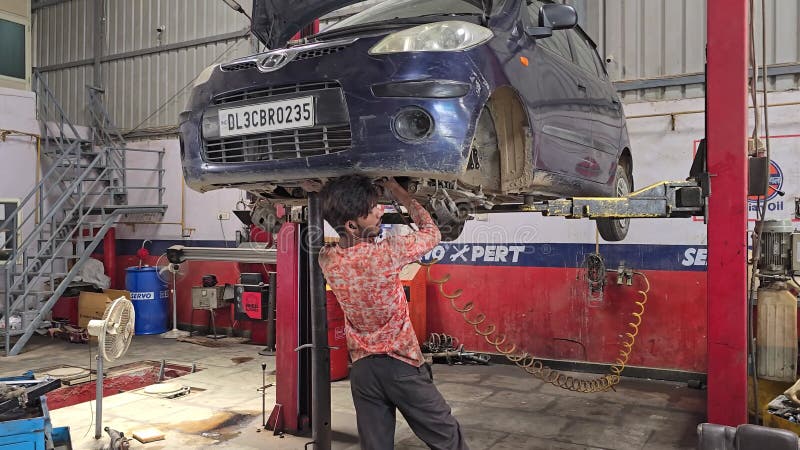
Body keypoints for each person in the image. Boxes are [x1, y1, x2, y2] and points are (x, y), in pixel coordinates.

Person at [318, 175, 469, 450]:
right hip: (401, 365)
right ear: (351, 225)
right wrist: (397, 190)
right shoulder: (388, 252)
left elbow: (336, 241)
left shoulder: (327, 259)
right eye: (372, 210)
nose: (380, 211)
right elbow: (432, 232)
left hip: (362, 371)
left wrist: (324, 192)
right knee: (448, 438)